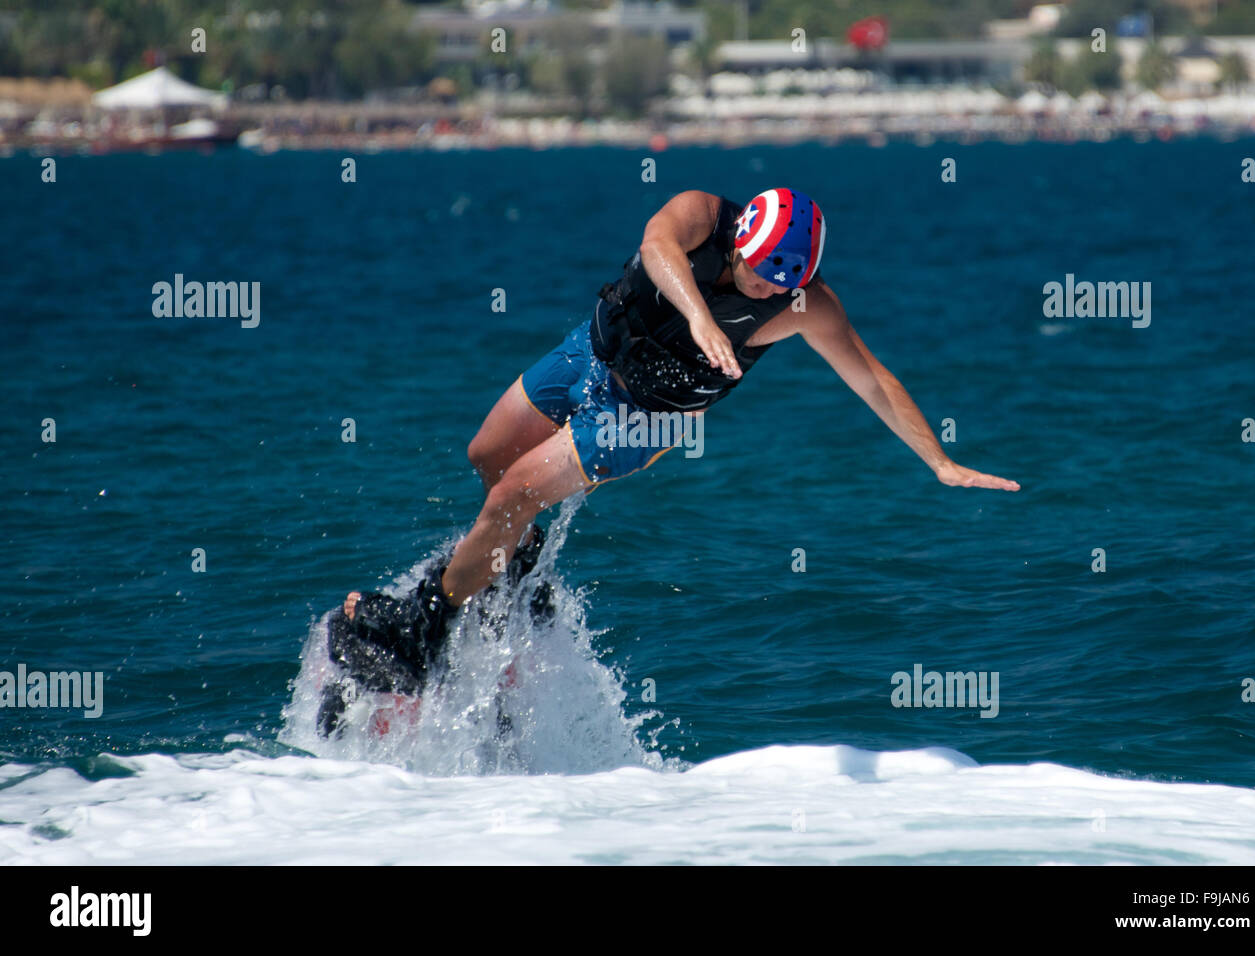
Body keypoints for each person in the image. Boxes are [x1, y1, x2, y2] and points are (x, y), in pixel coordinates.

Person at [316, 187, 1020, 736]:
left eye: (784, 286)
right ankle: (512, 575)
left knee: (515, 498)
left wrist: (940, 462)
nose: (770, 292)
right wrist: (700, 316)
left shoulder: (809, 304)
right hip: (591, 356)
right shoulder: (701, 215)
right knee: (489, 458)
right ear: (740, 239)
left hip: (643, 421)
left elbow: (872, 378)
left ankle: (424, 626)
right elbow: (656, 245)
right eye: (759, 276)